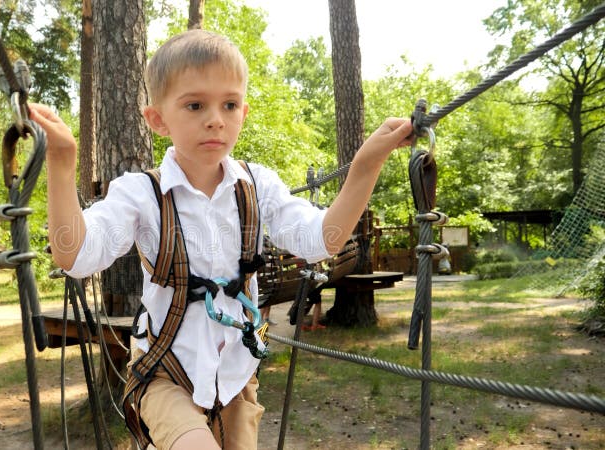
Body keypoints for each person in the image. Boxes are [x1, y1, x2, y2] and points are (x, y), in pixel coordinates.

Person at [31, 29, 412, 450]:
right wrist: (62, 166)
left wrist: (366, 165)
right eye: (195, 105)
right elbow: (76, 256)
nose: (215, 118)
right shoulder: (141, 194)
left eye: (229, 105)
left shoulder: (257, 186)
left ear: (243, 113)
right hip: (164, 374)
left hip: (236, 379)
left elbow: (322, 240)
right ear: (158, 119)